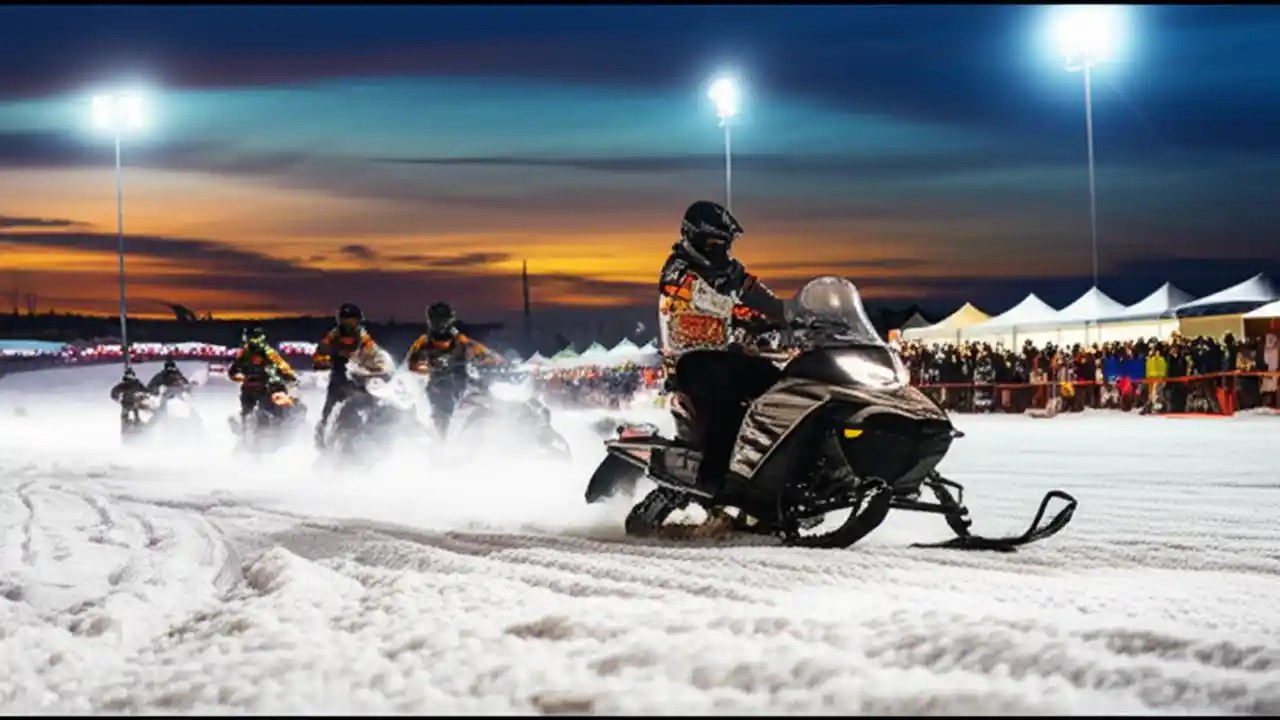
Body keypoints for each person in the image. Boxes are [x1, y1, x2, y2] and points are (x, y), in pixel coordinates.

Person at [657, 200, 787, 497]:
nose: (721, 249)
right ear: (694, 238)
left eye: (725, 243)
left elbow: (767, 300)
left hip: (726, 355)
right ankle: (714, 481)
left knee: (783, 384)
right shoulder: (677, 271)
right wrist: (745, 315)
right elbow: (706, 299)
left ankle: (783, 467)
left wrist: (794, 315)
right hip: (690, 360)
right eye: (714, 242)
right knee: (726, 403)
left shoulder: (732, 273)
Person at [404, 301, 502, 436]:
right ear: (431, 321)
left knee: (485, 398)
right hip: (438, 388)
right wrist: (426, 364)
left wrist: (489, 358)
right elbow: (412, 363)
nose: (441, 325)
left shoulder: (460, 340)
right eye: (438, 321)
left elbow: (478, 349)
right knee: (439, 421)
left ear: (450, 320)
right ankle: (441, 444)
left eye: (444, 320)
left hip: (462, 383)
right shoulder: (423, 342)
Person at [312, 303, 379, 448]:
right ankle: (322, 438)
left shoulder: (363, 337)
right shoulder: (333, 335)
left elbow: (373, 352)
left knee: (376, 401)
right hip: (339, 374)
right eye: (346, 319)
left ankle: (375, 435)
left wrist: (379, 365)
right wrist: (323, 360)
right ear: (340, 320)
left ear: (358, 320)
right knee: (329, 407)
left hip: (359, 376)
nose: (349, 322)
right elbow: (321, 350)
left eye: (352, 319)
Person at [228, 325, 298, 428]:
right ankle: (246, 429)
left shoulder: (268, 353)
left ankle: (275, 425)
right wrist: (243, 378)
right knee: (247, 411)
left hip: (265, 387)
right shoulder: (245, 354)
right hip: (253, 387)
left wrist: (289, 376)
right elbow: (233, 371)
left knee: (271, 407)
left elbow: (282, 366)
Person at [109, 366, 151, 432]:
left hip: (136, 403)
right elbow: (114, 392)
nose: (130, 376)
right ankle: (126, 428)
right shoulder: (123, 385)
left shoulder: (137, 383)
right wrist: (117, 397)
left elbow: (146, 391)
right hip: (126, 404)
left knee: (137, 413)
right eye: (128, 375)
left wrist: (145, 395)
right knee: (125, 416)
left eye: (131, 375)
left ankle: (138, 424)